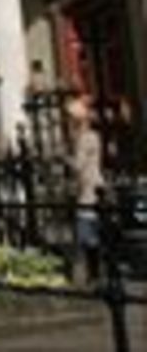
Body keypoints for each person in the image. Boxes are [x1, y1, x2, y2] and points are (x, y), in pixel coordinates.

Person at [69, 99, 105, 284]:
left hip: (88, 190)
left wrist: (64, 158)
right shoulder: (92, 137)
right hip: (91, 188)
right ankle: (94, 273)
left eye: (72, 120)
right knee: (90, 231)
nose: (70, 124)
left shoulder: (86, 138)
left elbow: (78, 166)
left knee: (85, 232)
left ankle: (90, 273)